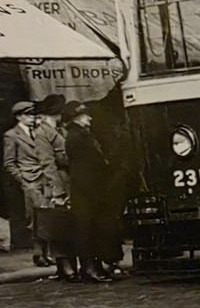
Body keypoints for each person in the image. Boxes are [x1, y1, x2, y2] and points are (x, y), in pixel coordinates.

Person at [63, 101, 120, 282]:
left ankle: (95, 268)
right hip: (87, 193)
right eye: (86, 115)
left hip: (90, 191)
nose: (90, 117)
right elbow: (82, 169)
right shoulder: (76, 137)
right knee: (87, 232)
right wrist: (93, 192)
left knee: (93, 231)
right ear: (77, 118)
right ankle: (89, 269)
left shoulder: (82, 135)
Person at [2, 101, 52, 267]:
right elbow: (9, 162)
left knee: (48, 215)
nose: (33, 118)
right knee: (35, 218)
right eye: (29, 115)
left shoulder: (39, 132)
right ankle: (39, 254)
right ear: (19, 116)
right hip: (31, 180)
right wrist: (23, 180)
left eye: (34, 115)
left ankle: (47, 253)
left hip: (46, 178)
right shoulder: (11, 135)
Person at [35, 94, 78, 281]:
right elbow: (48, 164)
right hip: (56, 183)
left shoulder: (61, 130)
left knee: (70, 224)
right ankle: (65, 266)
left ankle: (70, 265)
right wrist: (58, 191)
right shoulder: (42, 133)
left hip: (69, 179)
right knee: (59, 226)